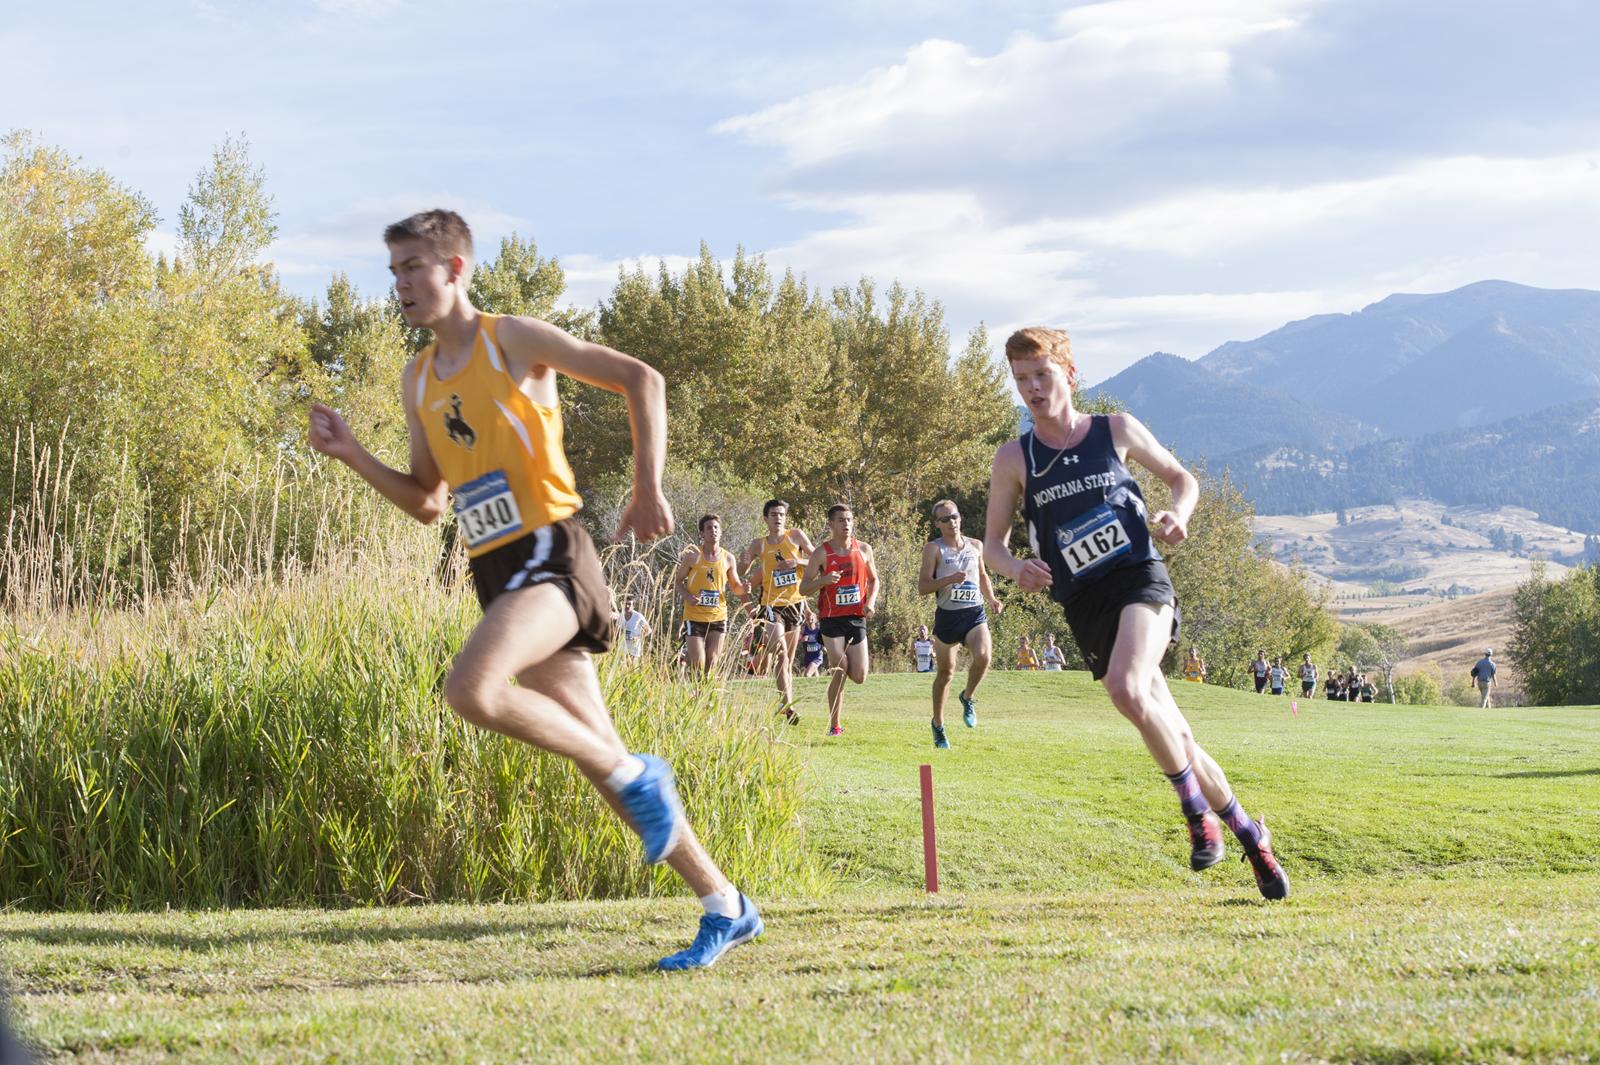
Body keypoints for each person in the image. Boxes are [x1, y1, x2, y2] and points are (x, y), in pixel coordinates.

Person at [307, 209, 760, 970]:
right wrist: (353, 452)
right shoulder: (417, 376)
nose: (402, 284)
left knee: (472, 689)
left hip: (554, 557)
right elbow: (427, 500)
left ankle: (641, 775)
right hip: (494, 571)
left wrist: (648, 487)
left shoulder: (510, 338)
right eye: (394, 271)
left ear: (457, 269)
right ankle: (726, 903)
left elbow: (639, 378)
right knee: (598, 756)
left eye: (415, 266)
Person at [983, 325, 1288, 900]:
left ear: (1069, 375)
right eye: (1021, 380)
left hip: (1141, 580)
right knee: (1179, 736)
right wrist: (1014, 568)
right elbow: (991, 545)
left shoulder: (1114, 429)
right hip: (1085, 602)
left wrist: (1180, 514)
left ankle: (1195, 813)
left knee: (1126, 688)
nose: (1031, 389)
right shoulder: (1013, 459)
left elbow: (1182, 479)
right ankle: (1251, 834)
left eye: (1041, 375)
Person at [918, 499, 1003, 748]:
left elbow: (983, 576)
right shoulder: (933, 549)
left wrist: (992, 599)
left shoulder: (975, 545)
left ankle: (967, 697)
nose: (951, 522)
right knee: (945, 673)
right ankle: (938, 724)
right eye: (945, 519)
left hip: (974, 613)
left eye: (953, 517)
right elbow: (923, 587)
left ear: (960, 518)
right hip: (947, 617)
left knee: (984, 657)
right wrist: (948, 579)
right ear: (937, 524)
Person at [800, 504, 879, 736]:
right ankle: (835, 725)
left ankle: (835, 717)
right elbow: (804, 588)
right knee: (840, 668)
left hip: (856, 617)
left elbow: (875, 580)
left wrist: (871, 602)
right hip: (831, 618)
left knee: (860, 676)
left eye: (849, 520)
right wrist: (823, 580)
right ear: (831, 524)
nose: (846, 524)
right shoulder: (821, 553)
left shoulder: (864, 549)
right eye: (841, 520)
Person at [739, 498, 815, 722]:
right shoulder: (758, 544)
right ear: (766, 518)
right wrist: (744, 561)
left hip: (795, 604)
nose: (778, 518)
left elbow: (817, 559)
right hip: (771, 605)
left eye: (781, 514)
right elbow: (742, 572)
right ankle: (758, 650)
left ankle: (787, 707)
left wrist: (796, 562)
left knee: (786, 661)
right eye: (774, 514)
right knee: (779, 647)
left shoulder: (795, 536)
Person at [673, 514, 749, 677]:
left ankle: (705, 699)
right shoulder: (692, 556)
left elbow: (736, 587)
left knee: (712, 661)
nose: (713, 531)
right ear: (702, 533)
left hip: (718, 616)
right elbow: (678, 581)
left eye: (716, 527)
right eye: (708, 528)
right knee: (698, 662)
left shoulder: (728, 558)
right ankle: (694, 695)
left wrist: (745, 588)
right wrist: (687, 596)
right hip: (694, 617)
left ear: (720, 532)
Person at [798, 607, 825, 678]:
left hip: (817, 657)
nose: (810, 621)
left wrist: (825, 648)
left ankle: (806, 689)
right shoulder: (803, 630)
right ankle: (818, 687)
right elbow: (797, 641)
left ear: (816, 620)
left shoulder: (819, 631)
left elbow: (825, 641)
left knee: (807, 674)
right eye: (809, 619)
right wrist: (802, 640)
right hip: (808, 657)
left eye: (812, 619)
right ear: (806, 620)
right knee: (815, 676)